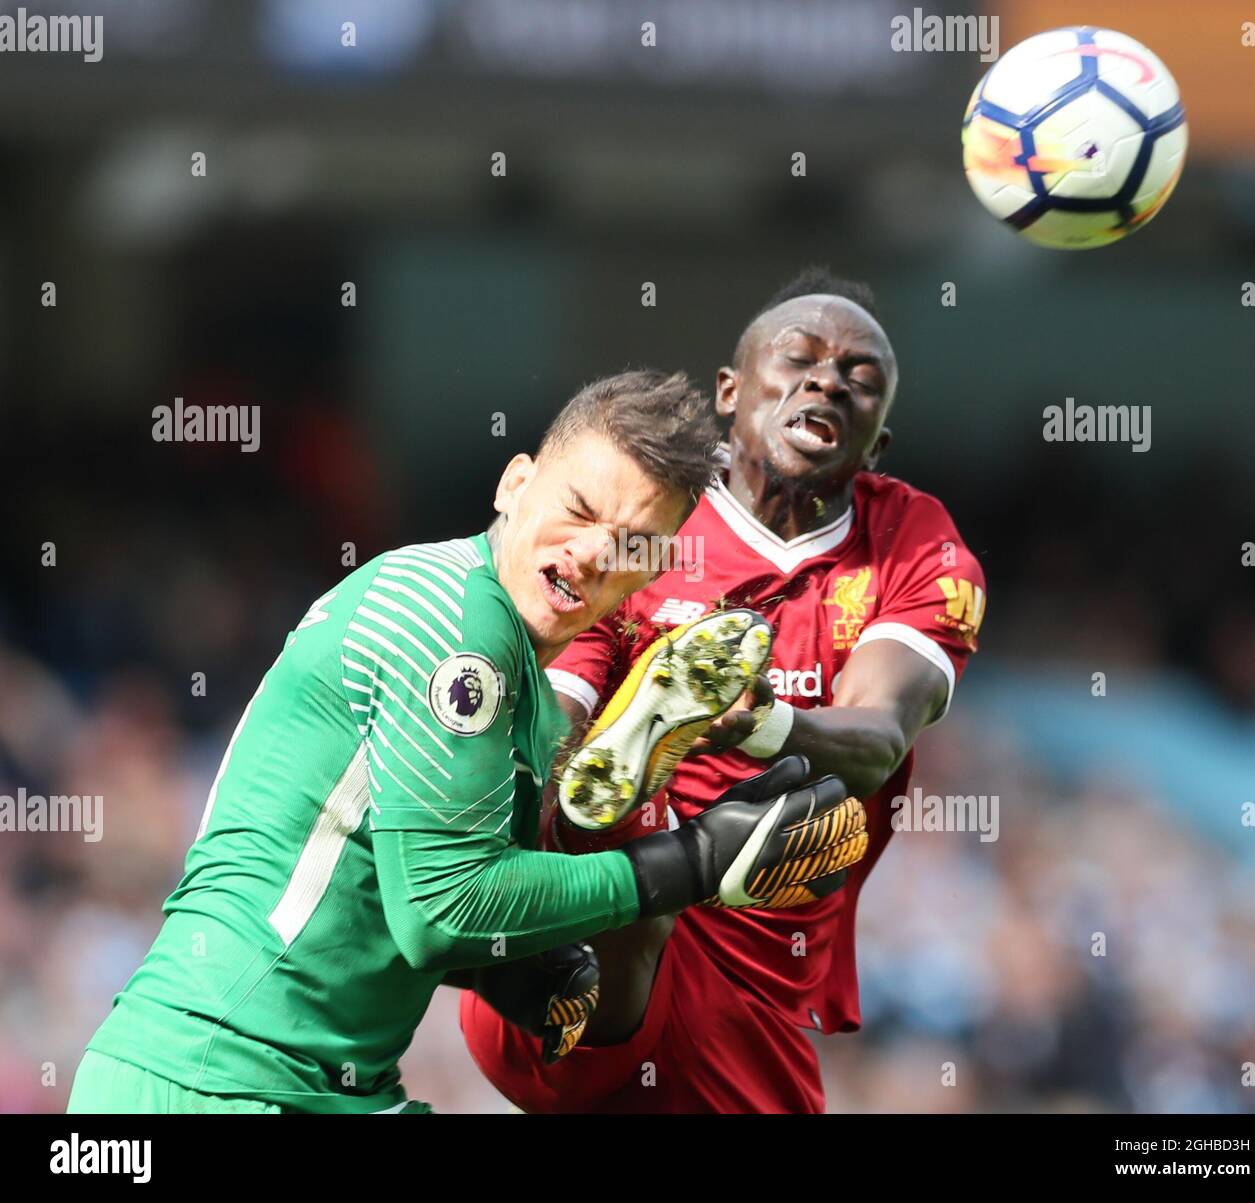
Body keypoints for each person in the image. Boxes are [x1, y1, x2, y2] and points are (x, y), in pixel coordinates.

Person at [67, 369, 864, 1114]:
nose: (590, 553)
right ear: (514, 483)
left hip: (291, 1083)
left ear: (651, 573)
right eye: (579, 510)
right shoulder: (455, 618)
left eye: (631, 545)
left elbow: (379, 893)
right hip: (217, 1077)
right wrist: (688, 863)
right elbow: (443, 906)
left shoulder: (516, 680)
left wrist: (516, 971)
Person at [462, 268, 987, 1113]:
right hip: (567, 950)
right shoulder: (653, 516)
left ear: (878, 442)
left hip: (755, 968)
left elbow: (877, 738)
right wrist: (546, 754)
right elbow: (567, 673)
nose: (827, 381)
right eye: (800, 359)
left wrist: (753, 719)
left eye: (861, 379)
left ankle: (635, 821)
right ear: (730, 392)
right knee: (600, 810)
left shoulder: (914, 544)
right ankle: (611, 824)